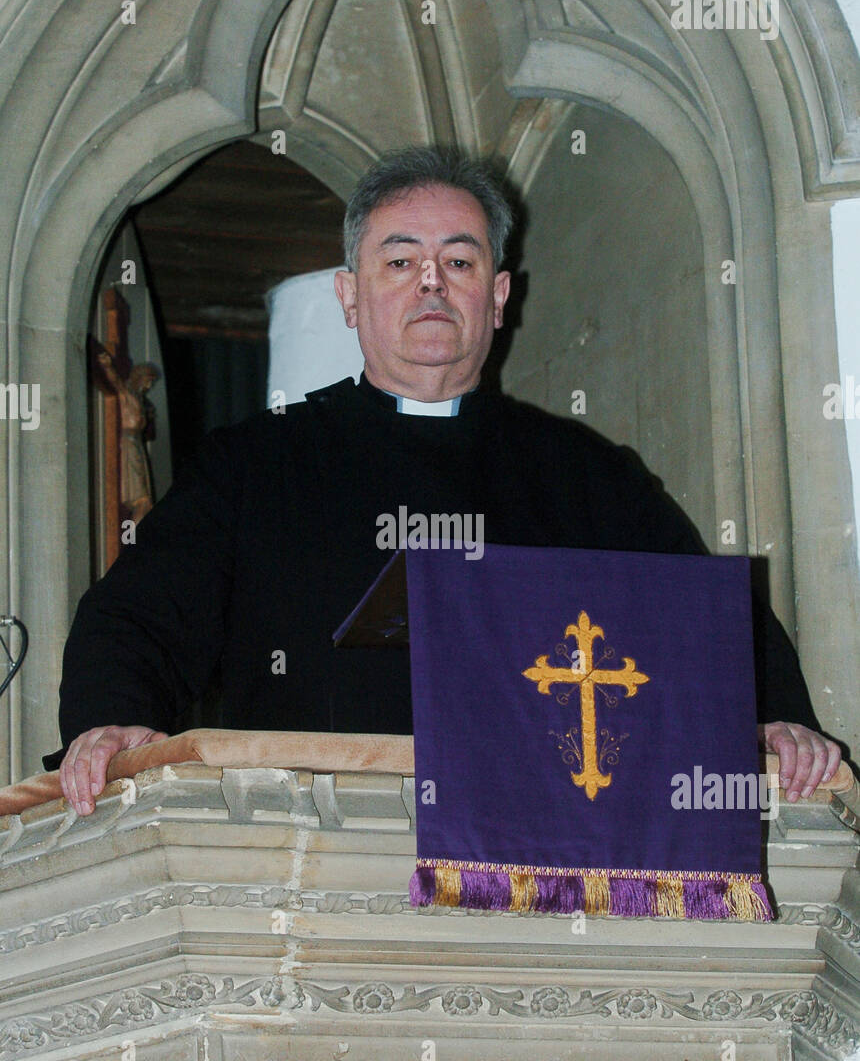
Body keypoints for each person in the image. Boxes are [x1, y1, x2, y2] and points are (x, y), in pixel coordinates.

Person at [50, 146, 841, 816]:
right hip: (314, 841)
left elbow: (698, 617)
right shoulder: (253, 467)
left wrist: (771, 717)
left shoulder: (590, 476)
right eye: (399, 261)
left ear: (497, 298)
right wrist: (113, 720)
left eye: (459, 261)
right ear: (350, 297)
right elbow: (138, 619)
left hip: (545, 840)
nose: (431, 283)